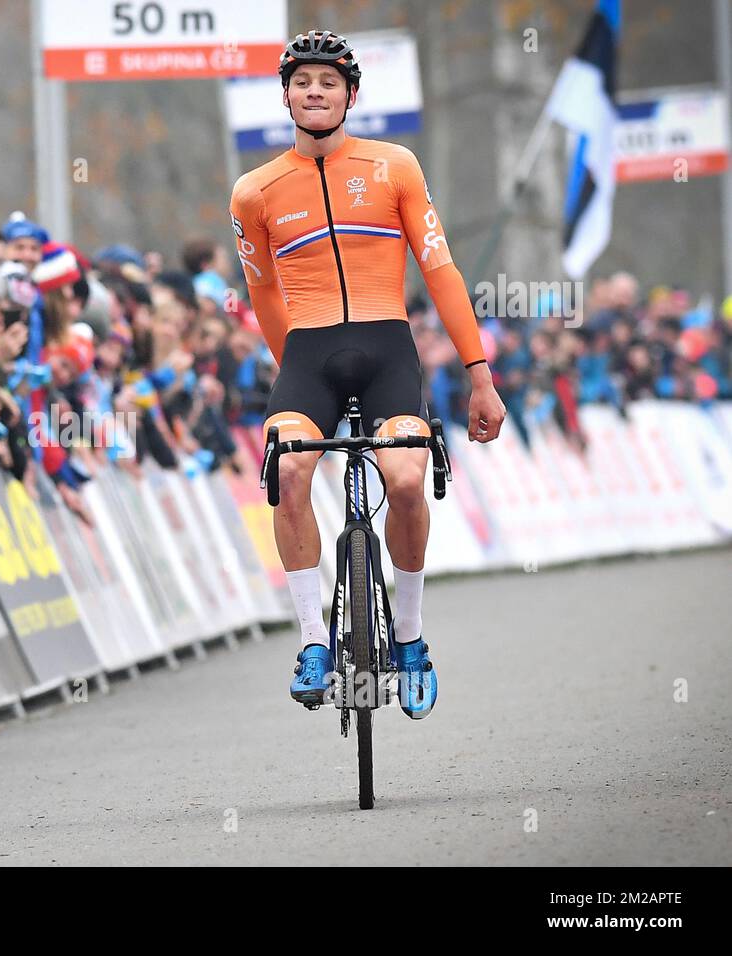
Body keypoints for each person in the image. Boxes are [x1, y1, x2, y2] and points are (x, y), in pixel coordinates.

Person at [229, 31, 507, 719]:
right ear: (286, 96)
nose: (315, 92)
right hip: (307, 358)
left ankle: (409, 639)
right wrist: (285, 369)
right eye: (302, 82)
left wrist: (480, 376)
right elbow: (264, 295)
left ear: (351, 95)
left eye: (328, 82)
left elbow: (440, 271)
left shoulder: (395, 167)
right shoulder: (254, 192)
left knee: (407, 478)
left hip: (387, 349)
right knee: (289, 469)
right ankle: (311, 642)